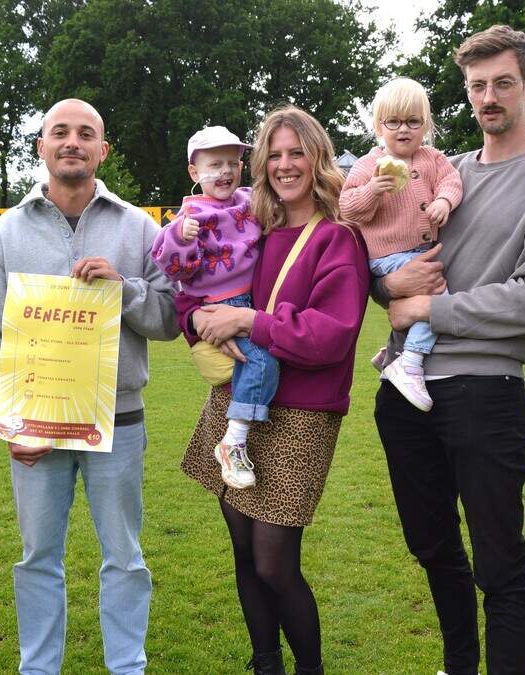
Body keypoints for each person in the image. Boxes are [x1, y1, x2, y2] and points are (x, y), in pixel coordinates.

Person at [372, 25, 525, 675]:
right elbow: (382, 248)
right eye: (476, 86)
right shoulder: (443, 170)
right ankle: (459, 664)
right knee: (432, 546)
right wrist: (387, 287)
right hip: (405, 389)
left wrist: (427, 308)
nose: (488, 97)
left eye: (501, 83)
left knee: (499, 563)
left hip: (485, 393)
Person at [0, 98, 179, 675]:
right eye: (59, 132)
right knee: (38, 557)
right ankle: (38, 668)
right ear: (41, 146)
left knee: (124, 557)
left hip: (118, 419)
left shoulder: (139, 227)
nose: (72, 141)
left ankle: (127, 666)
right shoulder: (5, 233)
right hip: (33, 424)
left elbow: (168, 320)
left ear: (102, 150)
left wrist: (125, 289)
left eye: (85, 133)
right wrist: (5, 419)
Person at [178, 106, 370, 675]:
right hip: (236, 404)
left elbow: (330, 337)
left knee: (273, 564)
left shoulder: (338, 238)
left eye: (297, 152)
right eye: (276, 154)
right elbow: (200, 293)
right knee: (242, 549)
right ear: (262, 163)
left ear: (318, 158)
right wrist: (201, 322)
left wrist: (248, 323)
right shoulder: (250, 229)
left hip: (302, 415)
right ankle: (266, 664)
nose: (286, 165)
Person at [152, 125, 274, 489]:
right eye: (214, 164)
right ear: (193, 172)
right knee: (261, 362)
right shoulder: (190, 217)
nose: (224, 172)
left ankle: (237, 431)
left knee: (258, 362)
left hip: (250, 301)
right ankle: (233, 439)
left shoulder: (248, 200)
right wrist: (180, 239)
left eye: (232, 163)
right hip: (218, 304)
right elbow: (177, 270)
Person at [339, 76, 464, 411]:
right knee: (436, 295)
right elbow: (348, 208)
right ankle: (410, 361)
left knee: (422, 296)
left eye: (413, 121)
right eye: (393, 122)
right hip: (386, 255)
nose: (403, 129)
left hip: (418, 250)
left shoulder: (433, 158)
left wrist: (444, 203)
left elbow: (452, 182)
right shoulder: (368, 165)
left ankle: (392, 352)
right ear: (380, 126)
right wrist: (372, 191)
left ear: (425, 125)